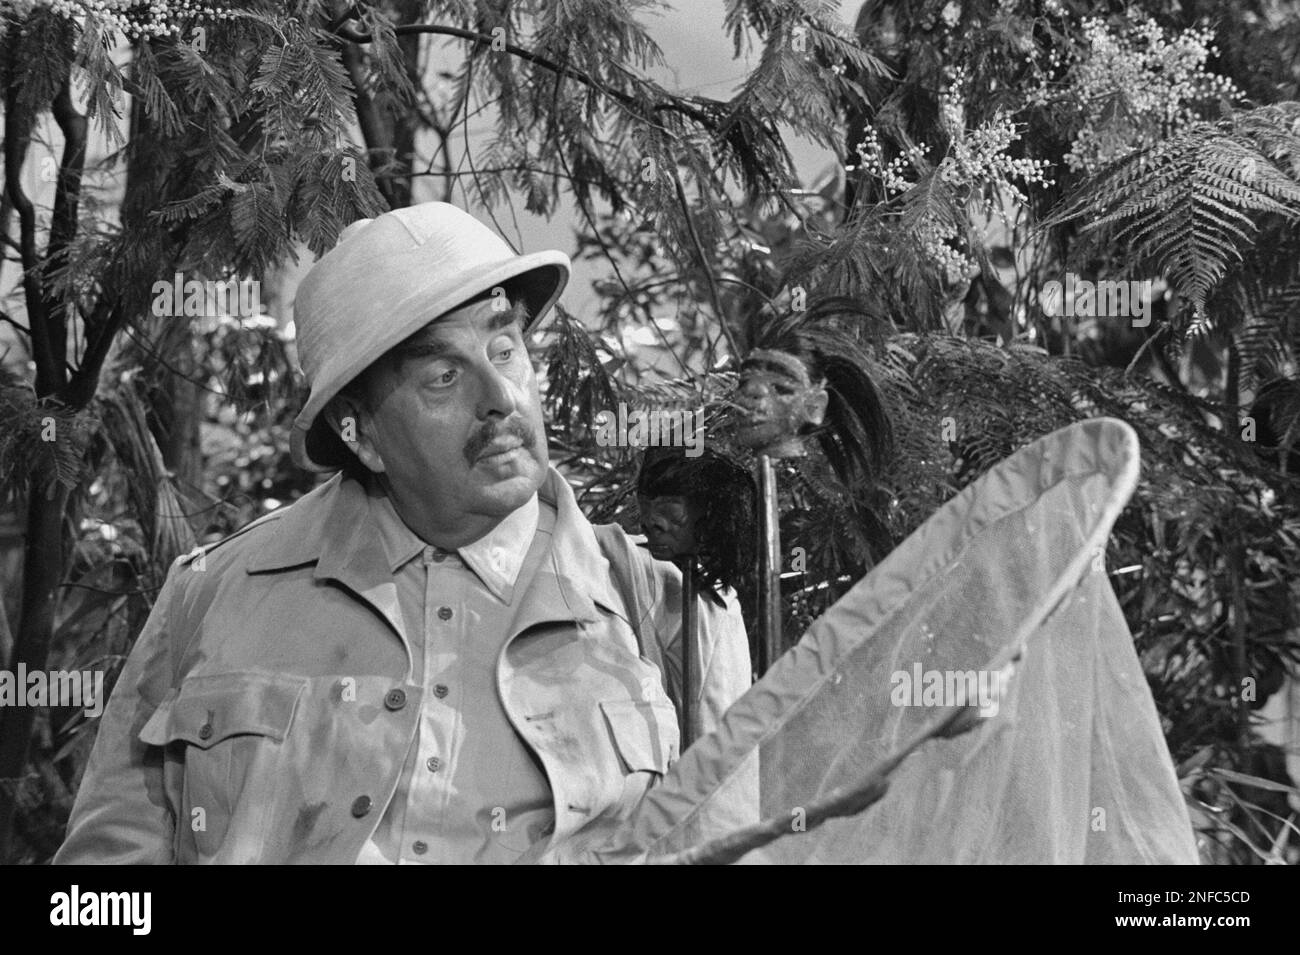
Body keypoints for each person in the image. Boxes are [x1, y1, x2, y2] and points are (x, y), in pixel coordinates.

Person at [54, 202, 755, 864]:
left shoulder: (670, 609)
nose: (501, 398)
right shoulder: (209, 597)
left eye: (505, 347)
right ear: (362, 435)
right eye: (445, 375)